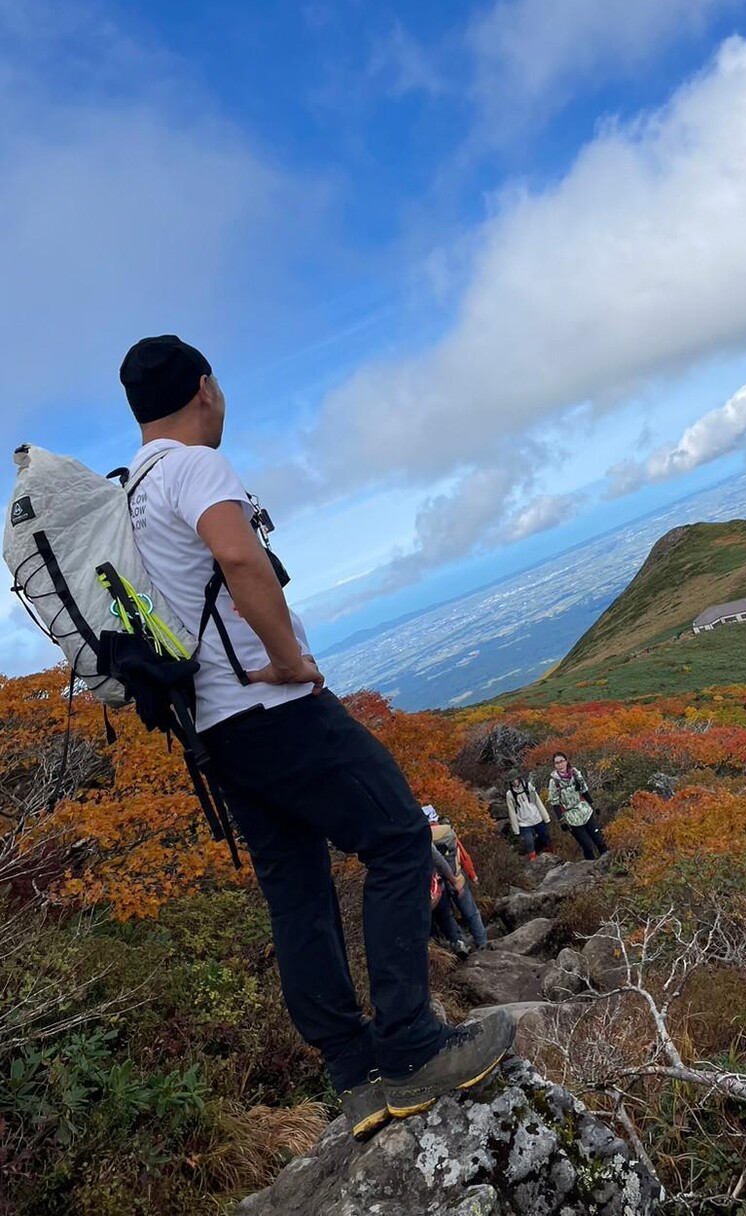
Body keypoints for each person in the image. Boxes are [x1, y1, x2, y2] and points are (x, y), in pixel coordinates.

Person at [118, 335, 513, 1140]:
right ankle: (411, 1046)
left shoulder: (132, 493)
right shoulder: (194, 467)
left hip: (216, 735)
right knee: (401, 837)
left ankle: (357, 1076)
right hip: (272, 708)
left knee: (296, 892)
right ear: (205, 388)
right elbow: (237, 556)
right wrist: (291, 659)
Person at [424, 805, 487, 952]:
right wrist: (473, 876)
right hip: (458, 879)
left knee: (447, 917)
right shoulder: (448, 832)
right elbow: (464, 856)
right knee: (471, 913)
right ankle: (482, 942)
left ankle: (461, 945)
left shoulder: (422, 837)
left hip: (438, 885)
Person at [547, 751, 607, 861]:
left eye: (561, 761)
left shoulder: (575, 773)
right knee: (587, 846)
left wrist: (593, 804)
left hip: (584, 810)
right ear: (554, 765)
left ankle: (608, 865)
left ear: (566, 761)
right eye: (557, 763)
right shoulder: (554, 782)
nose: (560, 764)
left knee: (599, 840)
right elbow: (555, 802)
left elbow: (584, 790)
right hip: (571, 816)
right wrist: (561, 820)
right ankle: (590, 869)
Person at [505, 771, 551, 859]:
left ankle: (548, 857)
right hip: (524, 822)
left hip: (536, 817)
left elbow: (537, 801)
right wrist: (516, 829)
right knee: (529, 842)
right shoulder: (510, 794)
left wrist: (546, 817)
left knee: (544, 837)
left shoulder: (528, 786)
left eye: (515, 779)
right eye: (512, 781)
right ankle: (533, 860)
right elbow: (512, 812)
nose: (515, 782)